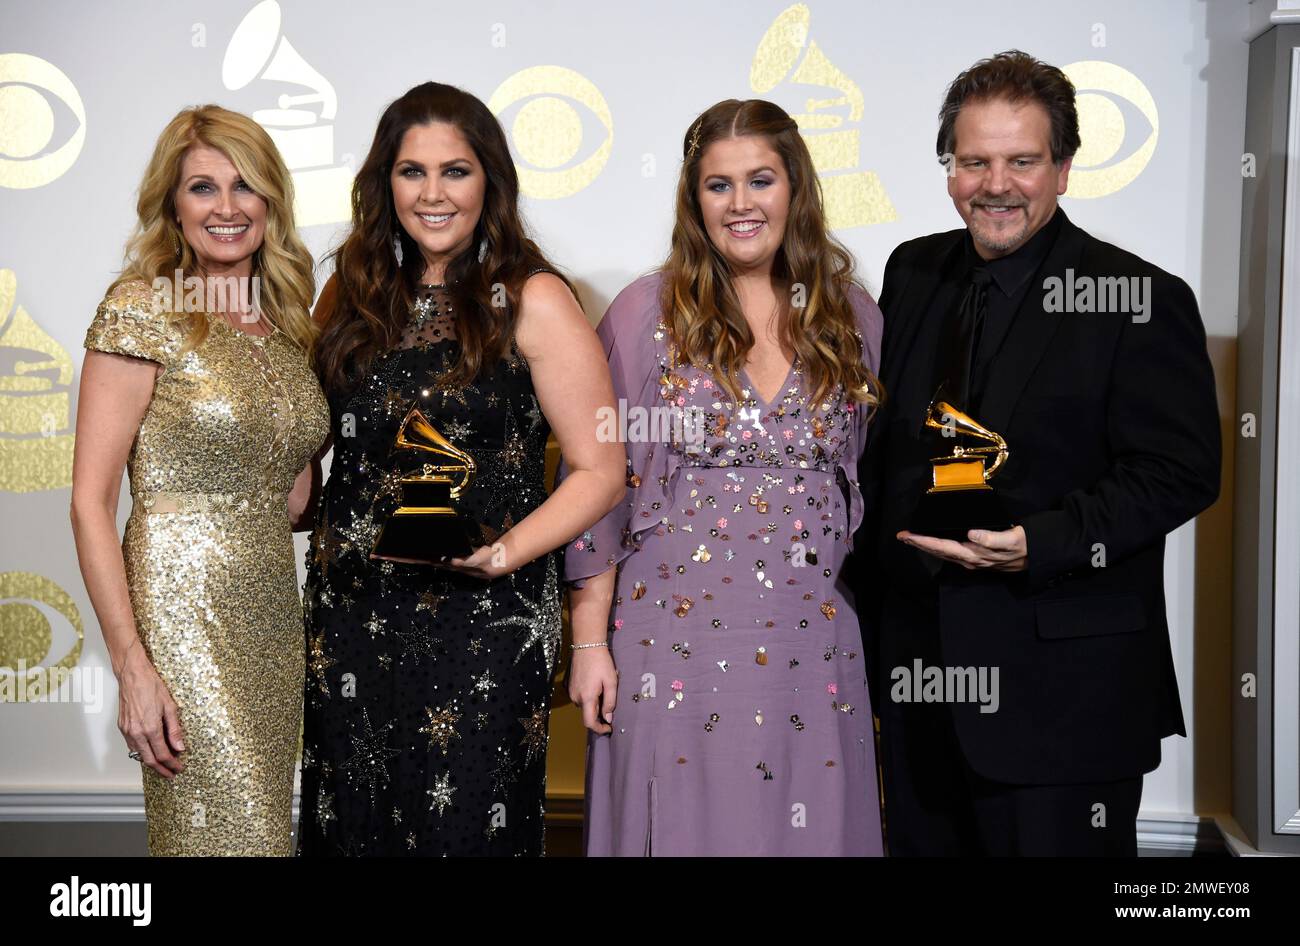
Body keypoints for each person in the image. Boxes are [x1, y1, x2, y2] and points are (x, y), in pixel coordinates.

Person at [858, 50, 1221, 856]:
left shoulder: (1141, 297)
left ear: (1063, 166)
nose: (996, 185)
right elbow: (895, 450)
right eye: (973, 161)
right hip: (921, 685)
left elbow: (1182, 471)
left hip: (1065, 701)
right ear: (948, 166)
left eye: (1022, 161)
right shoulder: (913, 270)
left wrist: (1039, 545)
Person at [297, 82, 624, 856]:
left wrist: (505, 553)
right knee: (354, 827)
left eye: (456, 171)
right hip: (351, 621)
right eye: (412, 172)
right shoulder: (348, 291)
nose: (433, 193)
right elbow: (308, 448)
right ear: (386, 184)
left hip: (484, 619)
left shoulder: (534, 298)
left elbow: (601, 468)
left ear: (491, 182)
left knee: (463, 830)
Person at [563, 99, 885, 856]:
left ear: (796, 189)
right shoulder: (647, 312)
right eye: (719, 186)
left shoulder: (852, 318)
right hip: (669, 645)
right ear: (693, 199)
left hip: (814, 647)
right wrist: (587, 644)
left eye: (761, 180)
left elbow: (859, 484)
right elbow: (601, 488)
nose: (741, 204)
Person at [71, 105, 328, 855]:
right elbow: (90, 503)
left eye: (245, 186)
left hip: (274, 619)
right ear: (172, 205)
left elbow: (292, 496)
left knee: (264, 839)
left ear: (271, 201)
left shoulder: (285, 327)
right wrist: (132, 667)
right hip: (181, 616)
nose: (226, 207)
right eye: (202, 188)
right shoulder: (142, 309)